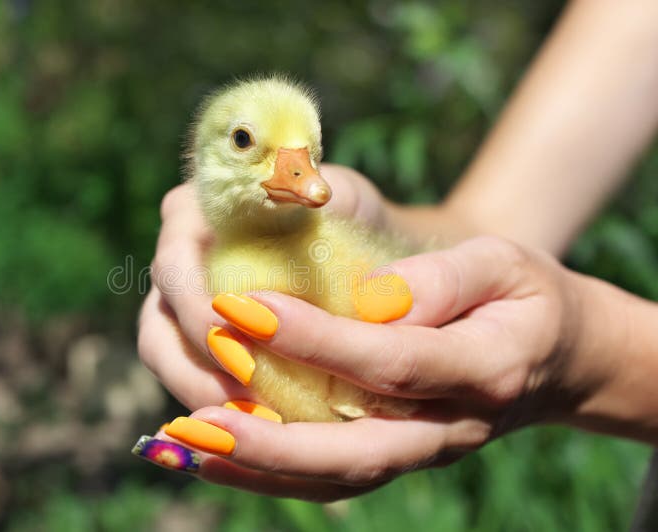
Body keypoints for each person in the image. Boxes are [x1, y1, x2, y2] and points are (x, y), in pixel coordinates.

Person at [135, 0, 658, 502]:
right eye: (247, 143)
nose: (303, 174)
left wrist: (598, 352)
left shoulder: (320, 253)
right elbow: (488, 226)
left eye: (305, 156)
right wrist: (393, 227)